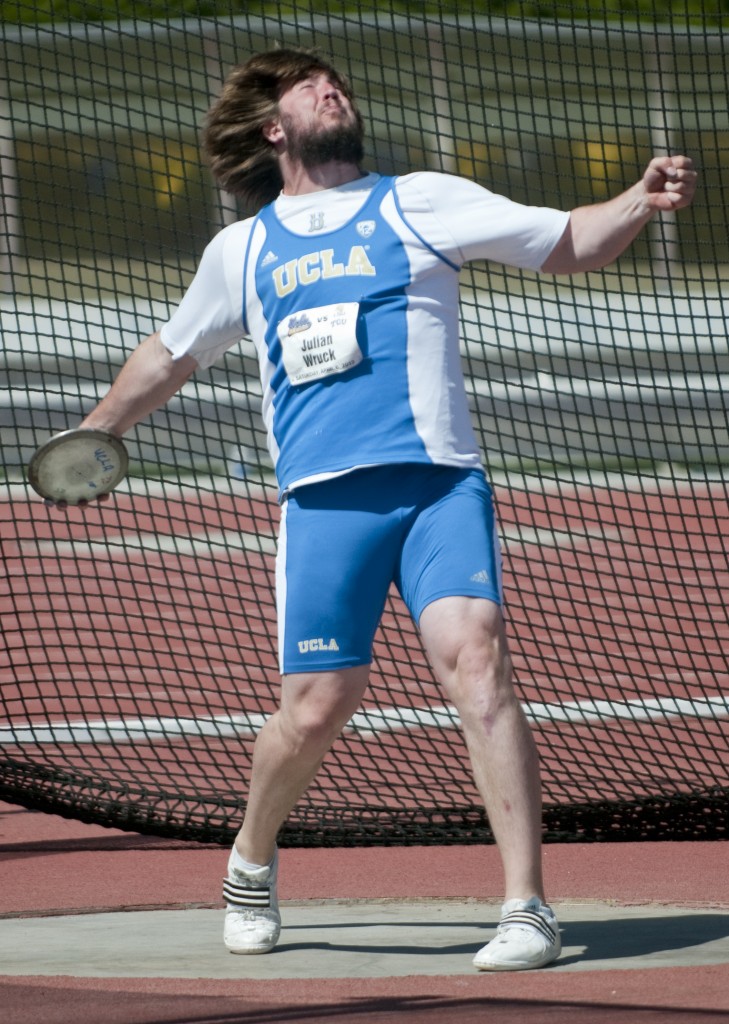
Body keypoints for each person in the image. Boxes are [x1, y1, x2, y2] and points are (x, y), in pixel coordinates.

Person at [70, 47, 697, 971]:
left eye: (339, 83)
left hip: (439, 483)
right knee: (318, 708)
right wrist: (94, 433)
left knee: (475, 662)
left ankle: (526, 906)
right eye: (309, 86)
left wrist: (636, 199)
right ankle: (251, 858)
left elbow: (570, 241)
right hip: (324, 505)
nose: (335, 89)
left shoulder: (420, 200)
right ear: (274, 127)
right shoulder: (239, 249)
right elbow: (171, 354)